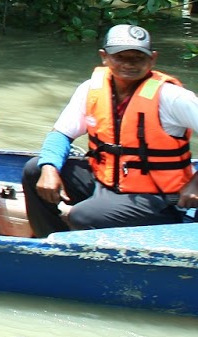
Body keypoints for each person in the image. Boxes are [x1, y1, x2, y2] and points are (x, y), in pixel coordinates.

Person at [21, 24, 198, 236]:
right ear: (104, 57)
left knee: (82, 216)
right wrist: (49, 168)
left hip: (157, 197)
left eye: (138, 58)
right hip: (105, 181)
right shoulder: (90, 89)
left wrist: (195, 185)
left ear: (152, 59)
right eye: (120, 57)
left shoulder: (172, 97)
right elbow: (61, 133)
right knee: (35, 169)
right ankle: (49, 242)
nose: (128, 64)